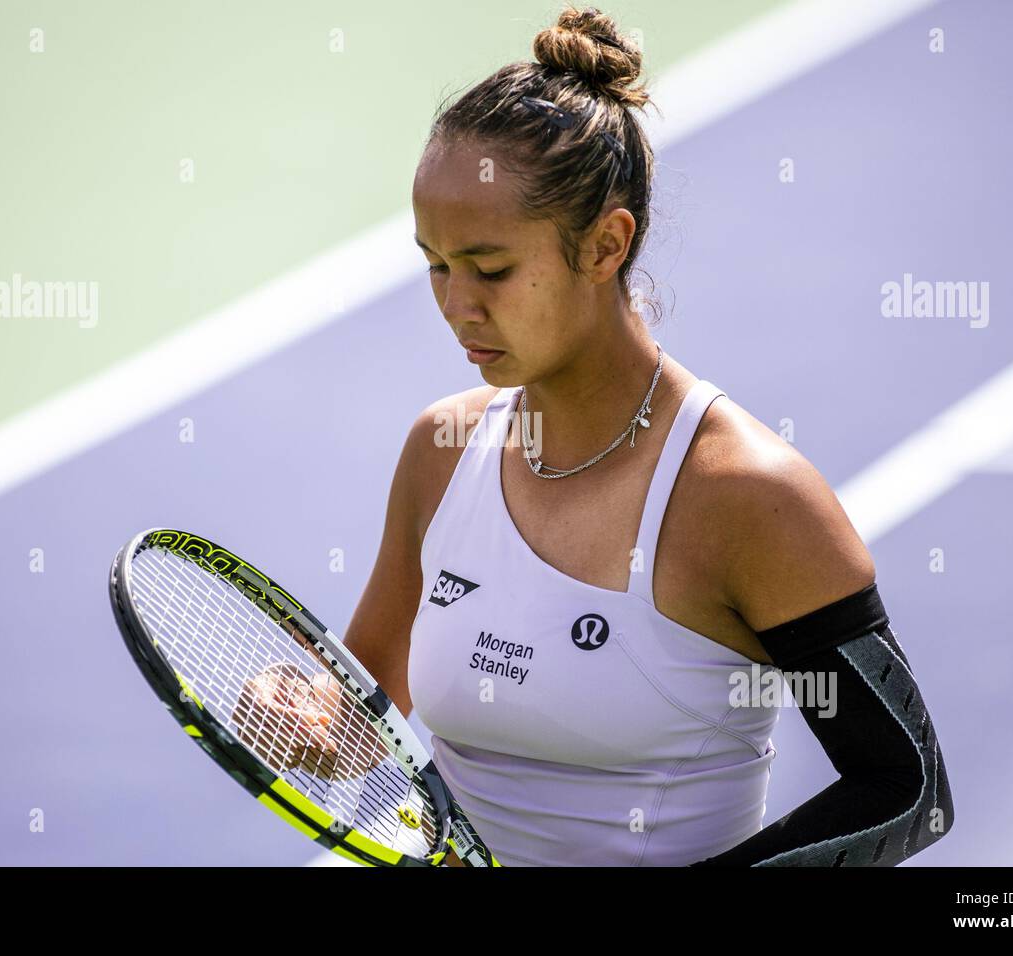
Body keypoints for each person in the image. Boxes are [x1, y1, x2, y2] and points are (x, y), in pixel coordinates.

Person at [344, 4, 954, 866]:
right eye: (435, 265)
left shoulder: (747, 497)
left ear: (604, 246)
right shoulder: (440, 453)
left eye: (490, 269)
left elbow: (908, 789)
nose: (455, 306)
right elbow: (361, 696)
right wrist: (307, 709)